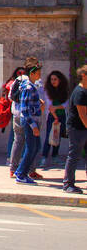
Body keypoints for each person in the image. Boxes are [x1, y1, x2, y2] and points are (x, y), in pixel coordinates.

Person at [13, 59, 44, 184]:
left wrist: (38, 103)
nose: (40, 75)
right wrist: (33, 126)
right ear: (32, 73)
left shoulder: (31, 86)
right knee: (31, 148)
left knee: (36, 147)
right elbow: (25, 110)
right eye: (38, 72)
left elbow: (29, 104)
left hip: (32, 121)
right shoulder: (28, 87)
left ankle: (21, 171)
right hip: (30, 122)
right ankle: (21, 174)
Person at [62, 64, 87, 195]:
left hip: (83, 128)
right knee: (74, 156)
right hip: (77, 129)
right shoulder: (80, 92)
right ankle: (68, 184)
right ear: (83, 76)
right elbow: (82, 115)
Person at [40, 70, 69, 170]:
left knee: (58, 137)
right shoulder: (48, 91)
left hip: (62, 116)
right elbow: (49, 106)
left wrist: (57, 108)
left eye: (55, 79)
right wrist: (55, 116)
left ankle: (55, 157)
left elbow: (66, 105)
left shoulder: (63, 91)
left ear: (60, 80)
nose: (53, 81)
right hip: (52, 117)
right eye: (51, 79)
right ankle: (44, 157)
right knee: (49, 136)